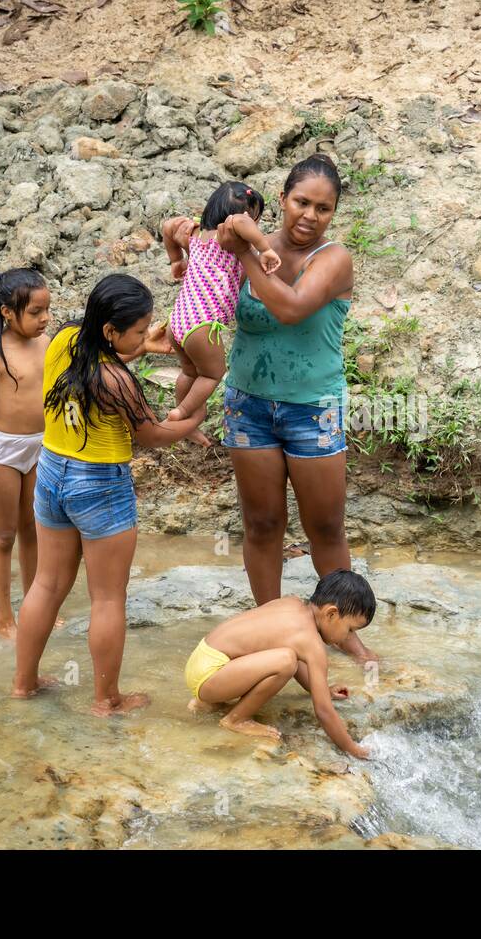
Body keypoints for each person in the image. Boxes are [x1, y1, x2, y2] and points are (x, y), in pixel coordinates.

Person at [156, 154, 376, 663]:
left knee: (325, 528)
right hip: (248, 405)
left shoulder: (332, 258)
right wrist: (191, 247)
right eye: (301, 201)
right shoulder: (242, 246)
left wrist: (246, 254)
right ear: (281, 199)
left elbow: (292, 306)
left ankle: (344, 633)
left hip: (313, 409)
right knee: (261, 525)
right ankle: (275, 623)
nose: (310, 215)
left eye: (324, 207)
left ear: (333, 214)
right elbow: (197, 280)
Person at [12, 273, 201, 715]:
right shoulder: (115, 379)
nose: (145, 336)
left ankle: (24, 685)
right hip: (99, 484)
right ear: (111, 331)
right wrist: (193, 424)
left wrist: (139, 347)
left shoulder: (65, 338)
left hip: (53, 470)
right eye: (139, 331)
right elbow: (151, 436)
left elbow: (99, 364)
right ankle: (107, 700)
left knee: (47, 583)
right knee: (109, 597)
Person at [185, 569, 373, 757]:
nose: (348, 637)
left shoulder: (291, 602)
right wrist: (352, 748)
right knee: (286, 661)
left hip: (203, 661)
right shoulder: (311, 643)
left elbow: (293, 655)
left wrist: (323, 689)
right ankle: (236, 719)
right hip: (211, 676)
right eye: (350, 630)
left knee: (286, 656)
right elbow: (323, 711)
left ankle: (206, 701)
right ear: (331, 614)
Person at [0, 269, 53, 640]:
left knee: (33, 528)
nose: (45, 318)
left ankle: (34, 607)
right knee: (4, 535)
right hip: (2, 451)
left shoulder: (47, 343)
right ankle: (3, 616)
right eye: (35, 312)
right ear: (7, 312)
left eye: (47, 310)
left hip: (41, 445)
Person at [160, 181, 280, 427]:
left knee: (189, 372)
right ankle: (183, 413)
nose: (253, 227)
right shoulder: (231, 237)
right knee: (212, 374)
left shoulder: (194, 235)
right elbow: (241, 223)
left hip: (177, 322)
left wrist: (175, 260)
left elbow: (167, 226)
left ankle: (181, 415)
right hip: (203, 325)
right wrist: (265, 249)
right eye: (254, 220)